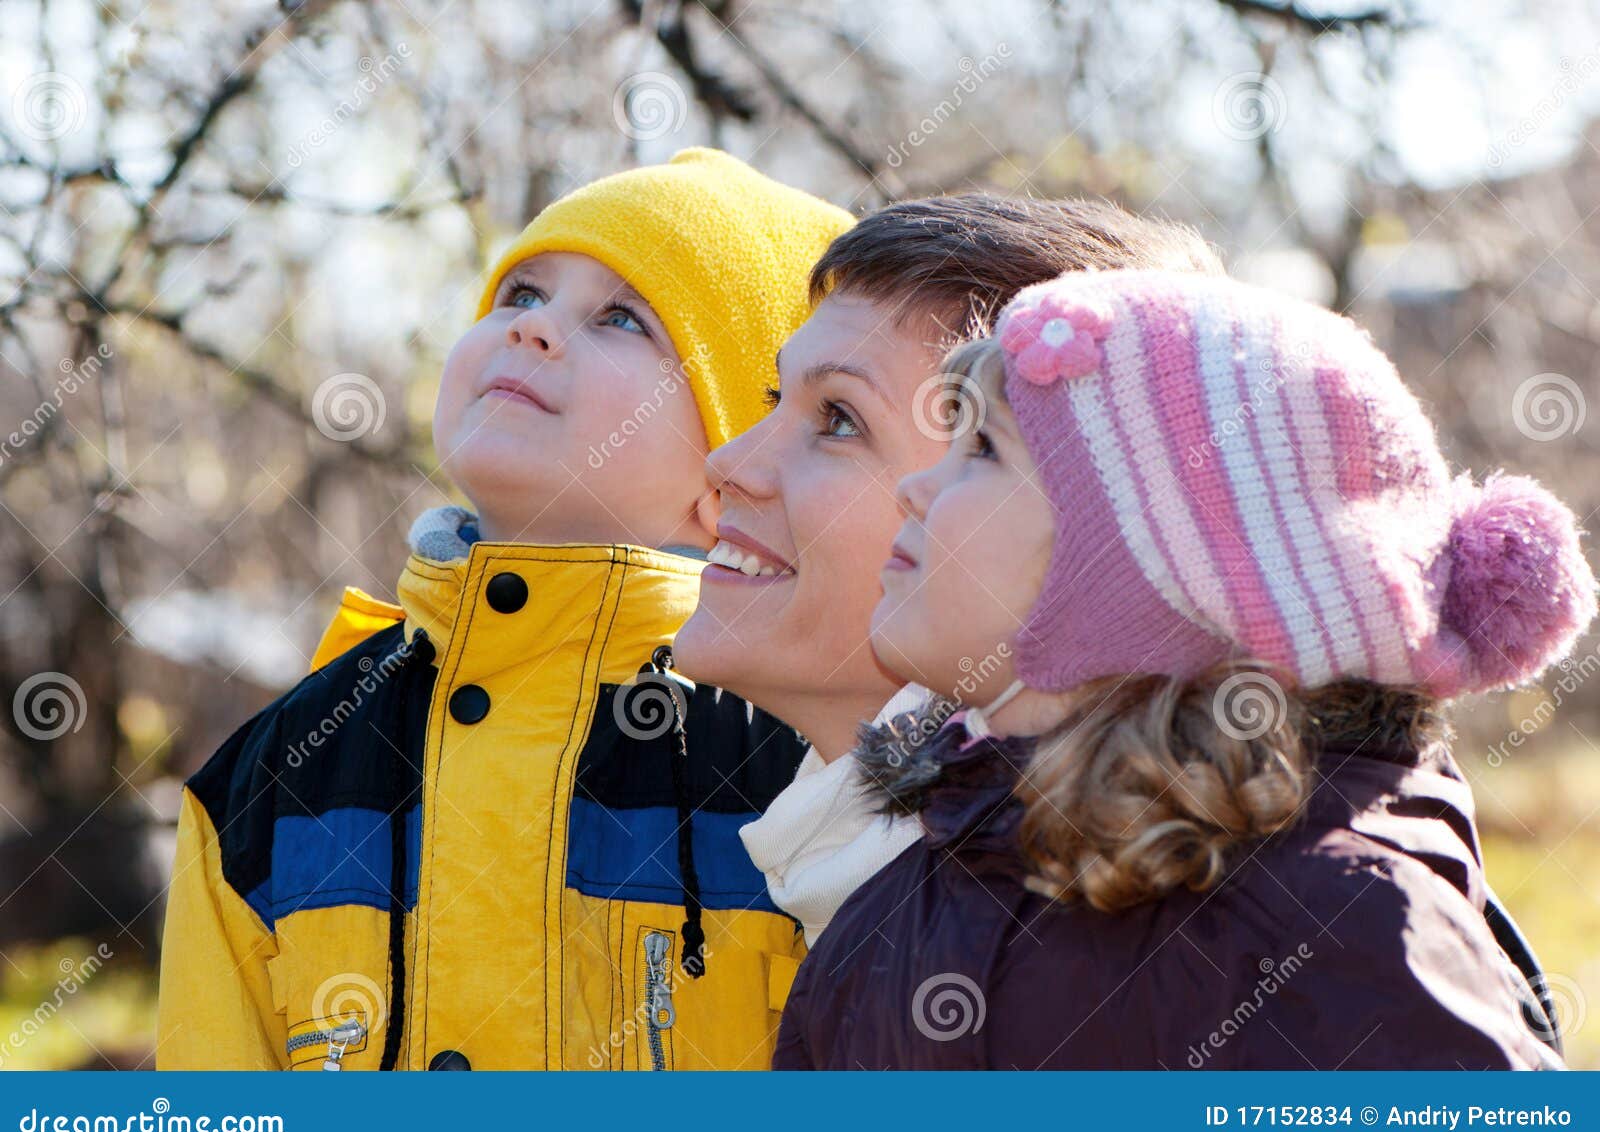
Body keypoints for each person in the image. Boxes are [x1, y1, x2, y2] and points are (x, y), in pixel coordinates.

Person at [774, 269, 1596, 1069]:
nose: (916, 485)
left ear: (1157, 583)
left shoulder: (1337, 937)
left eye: (982, 447)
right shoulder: (878, 932)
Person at [156, 148, 854, 1070]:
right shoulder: (270, 778)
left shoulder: (802, 763)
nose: (534, 330)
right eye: (520, 294)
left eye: (622, 318)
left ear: (729, 474)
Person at [672, 194, 1223, 946]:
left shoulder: (1115, 949)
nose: (728, 462)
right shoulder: (849, 886)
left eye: (840, 418)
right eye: (776, 397)